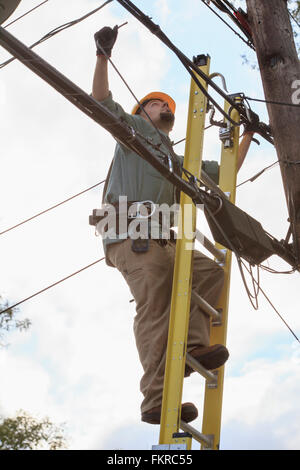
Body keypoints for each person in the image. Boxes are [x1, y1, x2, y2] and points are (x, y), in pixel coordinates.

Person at [92, 26, 255, 425]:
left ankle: (194, 347)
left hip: (166, 240)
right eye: (157, 103)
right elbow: (100, 100)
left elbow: (223, 174)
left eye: (169, 105)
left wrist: (247, 132)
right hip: (132, 236)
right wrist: (102, 55)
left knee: (209, 271)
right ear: (142, 112)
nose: (166, 107)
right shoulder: (131, 134)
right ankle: (156, 399)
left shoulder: (176, 159)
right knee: (156, 312)